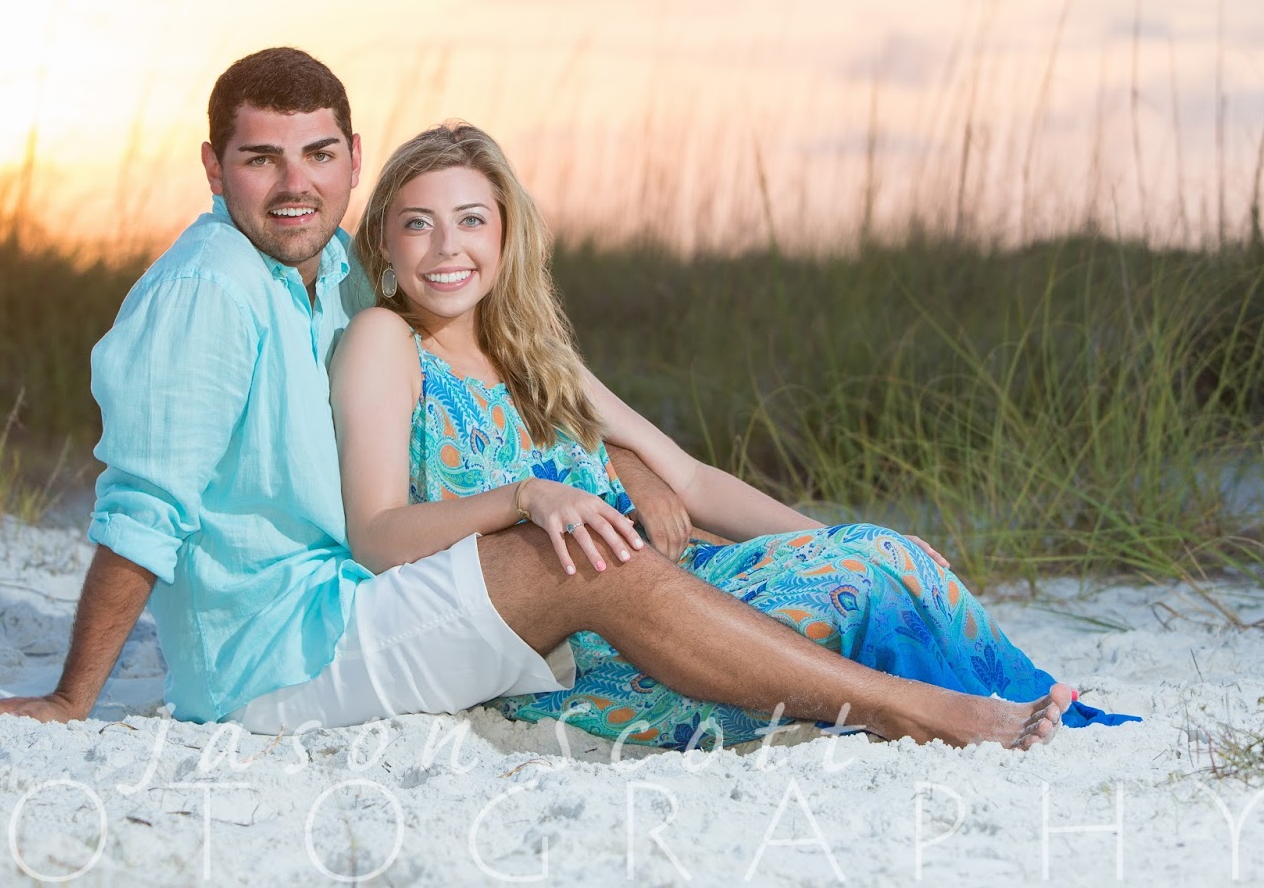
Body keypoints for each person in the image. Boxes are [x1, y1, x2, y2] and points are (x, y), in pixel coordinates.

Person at [0, 47, 1082, 750]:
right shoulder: (208, 292)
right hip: (278, 653)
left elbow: (479, 326)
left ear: (350, 164)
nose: (293, 183)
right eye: (260, 159)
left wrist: (622, 465)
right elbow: (146, 503)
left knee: (846, 556)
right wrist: (68, 698)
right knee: (575, 558)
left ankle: (910, 676)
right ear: (211, 166)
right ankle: (916, 712)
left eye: (318, 154)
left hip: (349, 603)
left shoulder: (324, 266)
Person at [328, 120, 1133, 748]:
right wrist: (522, 497)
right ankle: (946, 712)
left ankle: (1018, 702)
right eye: (418, 225)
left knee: (881, 557)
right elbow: (378, 534)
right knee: (850, 589)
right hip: (589, 637)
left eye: (470, 220)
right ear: (387, 246)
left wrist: (845, 534)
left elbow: (694, 482)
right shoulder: (386, 342)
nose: (447, 249)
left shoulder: (535, 358)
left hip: (674, 579)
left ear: (505, 237)